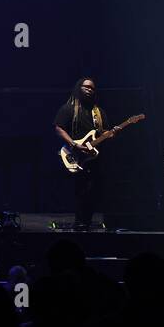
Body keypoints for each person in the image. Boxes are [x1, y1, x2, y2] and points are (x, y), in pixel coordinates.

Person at [53, 78, 106, 229]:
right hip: (75, 155)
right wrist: (73, 144)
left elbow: (104, 132)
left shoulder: (98, 112)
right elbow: (59, 128)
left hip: (92, 157)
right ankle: (79, 223)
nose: (90, 90)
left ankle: (86, 223)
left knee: (92, 191)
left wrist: (111, 133)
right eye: (86, 87)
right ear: (78, 88)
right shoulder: (68, 109)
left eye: (92, 88)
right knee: (79, 191)